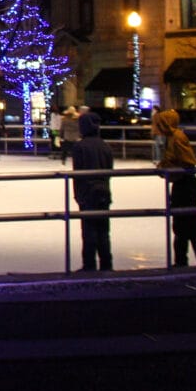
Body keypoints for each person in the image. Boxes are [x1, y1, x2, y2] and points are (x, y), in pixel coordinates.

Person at [155, 108, 196, 267]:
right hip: (182, 184)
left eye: (161, 123)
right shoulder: (172, 137)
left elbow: (188, 161)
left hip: (186, 185)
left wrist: (168, 168)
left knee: (190, 226)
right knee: (183, 226)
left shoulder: (178, 137)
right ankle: (183, 261)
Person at [70, 111, 115, 271]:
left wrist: (78, 194)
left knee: (89, 230)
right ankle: (106, 263)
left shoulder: (80, 147)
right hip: (103, 191)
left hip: (87, 193)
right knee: (103, 230)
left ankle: (89, 264)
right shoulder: (105, 146)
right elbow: (110, 169)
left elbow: (78, 173)